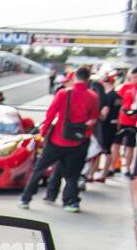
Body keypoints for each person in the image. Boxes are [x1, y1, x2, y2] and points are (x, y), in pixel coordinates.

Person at [19, 64, 99, 213]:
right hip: (77, 142)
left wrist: (42, 134)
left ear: (75, 77)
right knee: (72, 175)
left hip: (57, 139)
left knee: (39, 169)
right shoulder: (93, 96)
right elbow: (93, 119)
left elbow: (50, 115)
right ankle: (71, 202)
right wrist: (84, 137)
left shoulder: (63, 93)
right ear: (88, 79)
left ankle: (26, 199)